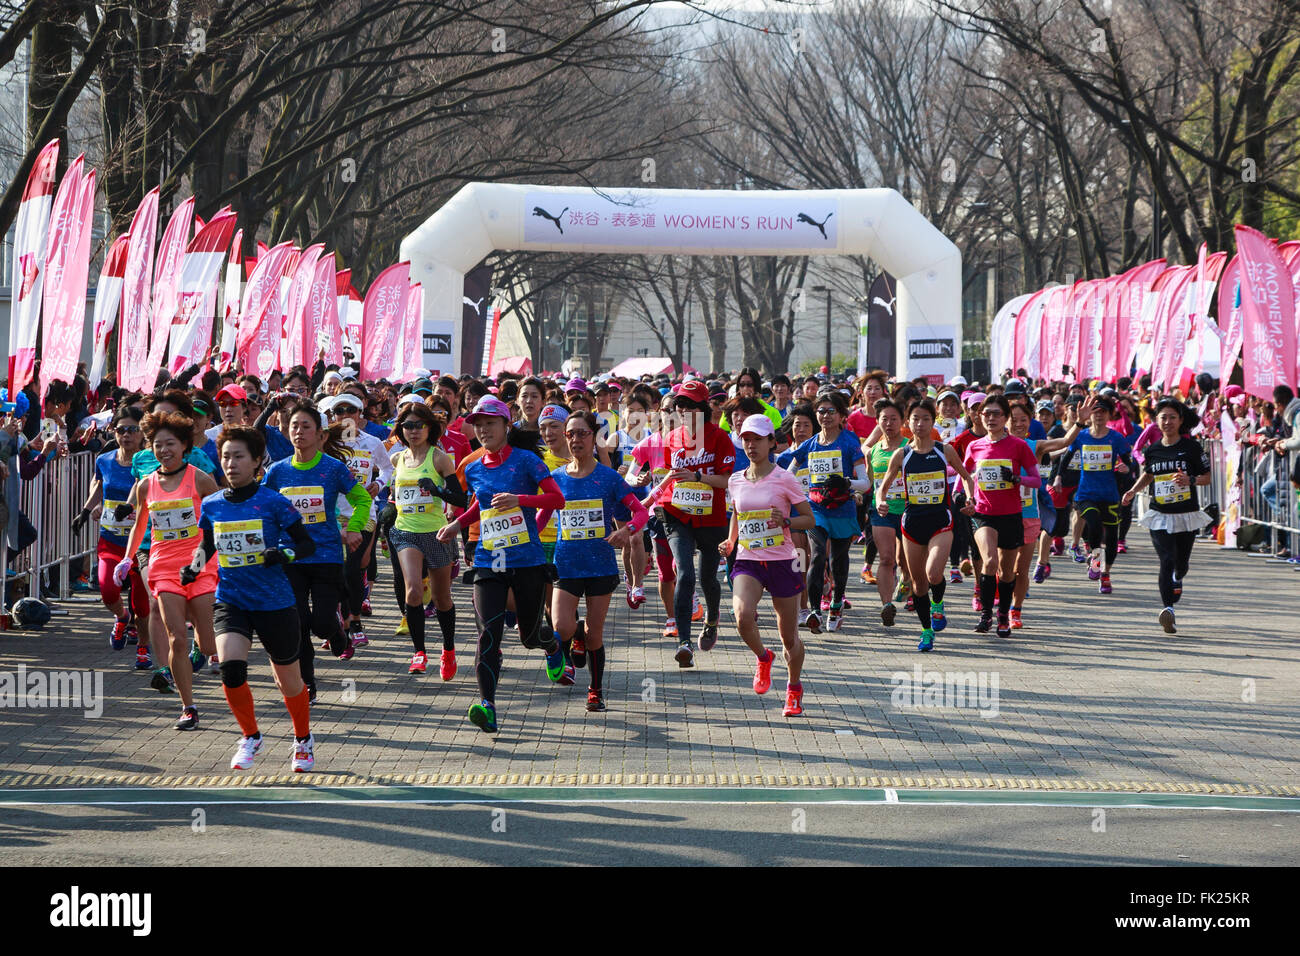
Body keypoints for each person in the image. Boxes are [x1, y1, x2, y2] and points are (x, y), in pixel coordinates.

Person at [436, 396, 572, 734]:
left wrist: (521, 500)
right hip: (488, 560)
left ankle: (552, 645)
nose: (482, 429)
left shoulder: (527, 461)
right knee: (488, 637)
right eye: (478, 424)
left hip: (526, 560)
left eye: (490, 423)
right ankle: (488, 705)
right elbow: (481, 507)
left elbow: (557, 499)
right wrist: (456, 524)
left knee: (529, 637)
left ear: (506, 426)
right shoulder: (473, 466)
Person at [187, 425, 318, 771]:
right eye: (226, 456)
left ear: (258, 461)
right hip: (232, 599)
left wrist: (284, 555)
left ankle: (303, 739)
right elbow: (206, 545)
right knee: (230, 668)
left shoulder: (274, 502)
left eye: (239, 457)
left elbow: (306, 544)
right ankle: (250, 736)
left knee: (288, 679)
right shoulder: (212, 504)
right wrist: (193, 568)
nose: (230, 464)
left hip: (275, 602)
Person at [537, 411, 649, 712]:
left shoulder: (609, 478)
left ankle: (595, 691)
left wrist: (627, 531)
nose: (575, 439)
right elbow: (543, 517)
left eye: (582, 433)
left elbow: (641, 513)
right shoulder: (556, 479)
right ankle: (572, 639)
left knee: (594, 635)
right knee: (560, 626)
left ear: (594, 437)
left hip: (600, 566)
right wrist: (527, 538)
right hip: (567, 564)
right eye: (570, 434)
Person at [115, 411, 220, 729]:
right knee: (176, 636)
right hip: (163, 566)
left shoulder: (199, 479)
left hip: (199, 563)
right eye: (158, 445)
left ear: (184, 446)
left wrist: (201, 563)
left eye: (170, 444)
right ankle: (188, 706)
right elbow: (140, 526)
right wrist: (127, 557)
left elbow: (218, 524)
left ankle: (211, 654)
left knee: (205, 632)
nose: (164, 450)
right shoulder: (147, 486)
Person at [263, 403, 372, 700]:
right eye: (294, 426)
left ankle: (337, 631)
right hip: (290, 558)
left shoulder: (333, 469)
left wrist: (354, 529)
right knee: (297, 624)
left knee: (321, 625)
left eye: (306, 426)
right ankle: (307, 684)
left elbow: (362, 500)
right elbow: (262, 508)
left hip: (326, 557)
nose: (299, 431)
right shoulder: (276, 472)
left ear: (321, 435)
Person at [720, 414, 816, 715]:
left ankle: (794, 688)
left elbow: (808, 519)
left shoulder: (784, 478)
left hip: (782, 562)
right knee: (742, 617)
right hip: (749, 559)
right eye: (746, 439)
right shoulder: (735, 480)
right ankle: (763, 657)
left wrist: (785, 520)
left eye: (758, 439)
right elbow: (738, 513)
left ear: (772, 442)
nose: (751, 445)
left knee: (789, 637)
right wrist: (731, 541)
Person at [871, 399, 974, 651]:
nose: (920, 424)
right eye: (915, 419)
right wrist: (881, 502)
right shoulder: (901, 454)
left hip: (940, 520)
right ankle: (926, 631)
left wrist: (970, 498)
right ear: (909, 422)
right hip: (912, 522)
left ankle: (938, 604)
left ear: (933, 421)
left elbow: (967, 477)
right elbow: (881, 488)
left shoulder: (944, 450)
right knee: (918, 585)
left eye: (926, 419)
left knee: (933, 574)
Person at [378, 402, 464, 677]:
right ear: (401, 429)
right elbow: (395, 494)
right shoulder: (397, 459)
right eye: (408, 426)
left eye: (419, 425)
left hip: (437, 534)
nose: (413, 431)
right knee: (413, 590)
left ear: (430, 428)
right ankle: (419, 652)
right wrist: (389, 508)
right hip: (405, 532)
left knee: (442, 599)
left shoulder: (439, 458)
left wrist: (437, 490)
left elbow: (460, 498)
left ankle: (448, 650)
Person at [654, 380, 736, 666]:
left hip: (711, 518)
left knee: (707, 578)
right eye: (680, 405)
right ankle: (684, 642)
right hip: (677, 514)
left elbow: (728, 480)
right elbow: (667, 473)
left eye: (689, 405)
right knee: (685, 573)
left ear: (702, 408)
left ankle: (712, 619)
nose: (683, 409)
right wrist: (650, 497)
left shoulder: (720, 438)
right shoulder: (672, 437)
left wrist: (698, 478)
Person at [1122, 399, 1212, 633]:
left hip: (1186, 514)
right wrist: (1133, 490)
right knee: (1166, 559)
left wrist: (1190, 480)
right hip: (1160, 513)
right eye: (1163, 417)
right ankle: (1168, 610)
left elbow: (1207, 477)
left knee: (1180, 563)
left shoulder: (1191, 448)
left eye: (1172, 417)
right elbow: (1149, 475)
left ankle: (1179, 577)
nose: (1168, 421)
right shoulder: (1152, 450)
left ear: (1181, 420)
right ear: (1156, 422)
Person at [961, 394, 1043, 638]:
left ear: (1006, 418)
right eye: (987, 413)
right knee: (989, 561)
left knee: (1008, 572)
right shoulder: (974, 446)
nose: (991, 418)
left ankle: (1003, 615)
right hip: (984, 513)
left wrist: (1017, 479)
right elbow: (965, 477)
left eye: (997, 414)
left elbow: (1036, 480)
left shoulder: (1018, 446)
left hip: (1011, 514)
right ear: (979, 416)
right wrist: (963, 497)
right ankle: (986, 614)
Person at [73, 406, 151, 656]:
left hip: (139, 542)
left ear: (142, 433)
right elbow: (98, 486)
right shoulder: (104, 460)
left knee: (141, 601)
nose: (126, 435)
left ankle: (143, 649)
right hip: (110, 539)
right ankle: (121, 616)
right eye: (120, 430)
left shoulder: (149, 461)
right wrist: (85, 511)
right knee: (107, 590)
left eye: (132, 430)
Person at [1061, 395, 1132, 594]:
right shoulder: (1082, 436)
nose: (1099, 415)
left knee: (1110, 538)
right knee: (1092, 522)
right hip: (1086, 492)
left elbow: (1129, 461)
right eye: (1096, 411)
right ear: (1090, 414)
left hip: (1109, 494)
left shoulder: (1116, 438)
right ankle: (1095, 558)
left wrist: (1127, 467)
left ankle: (1106, 574)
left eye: (1103, 411)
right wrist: (1058, 477)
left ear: (1109, 415)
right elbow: (1066, 457)